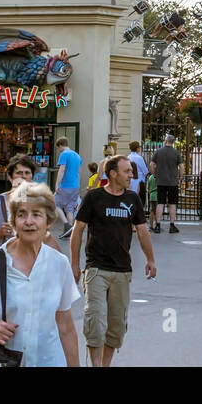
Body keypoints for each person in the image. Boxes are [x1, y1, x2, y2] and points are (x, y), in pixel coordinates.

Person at [0, 181, 80, 367]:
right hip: (4, 361)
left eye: (36, 215)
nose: (28, 221)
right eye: (22, 215)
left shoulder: (59, 264)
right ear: (13, 222)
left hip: (50, 360)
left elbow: (66, 327)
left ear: (48, 222)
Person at [70, 155, 156, 367]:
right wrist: (74, 264)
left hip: (122, 271)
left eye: (131, 171)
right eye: (127, 171)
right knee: (95, 322)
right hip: (96, 268)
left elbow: (143, 232)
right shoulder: (94, 197)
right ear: (113, 173)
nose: (132, 175)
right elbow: (78, 230)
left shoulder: (133, 199)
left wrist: (150, 259)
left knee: (116, 327)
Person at [0, 154, 63, 257]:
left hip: (32, 263)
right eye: (19, 173)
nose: (23, 176)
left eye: (27, 173)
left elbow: (47, 238)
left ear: (32, 177)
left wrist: (62, 264)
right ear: (10, 177)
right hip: (2, 263)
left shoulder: (39, 203)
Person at [151, 133, 182, 234]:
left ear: (165, 141)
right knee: (172, 204)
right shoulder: (176, 152)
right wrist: (180, 177)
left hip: (161, 181)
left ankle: (158, 225)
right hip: (173, 182)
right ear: (173, 142)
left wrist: (154, 175)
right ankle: (172, 226)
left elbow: (151, 164)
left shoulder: (158, 151)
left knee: (160, 203)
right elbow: (182, 167)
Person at [54, 137, 82, 240]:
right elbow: (79, 172)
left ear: (60, 145)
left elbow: (62, 170)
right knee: (69, 208)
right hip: (75, 186)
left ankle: (66, 225)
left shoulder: (64, 154)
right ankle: (70, 231)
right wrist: (78, 185)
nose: (58, 150)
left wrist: (57, 184)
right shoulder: (77, 156)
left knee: (54, 203)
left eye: (58, 148)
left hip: (66, 185)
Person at [127, 140, 149, 213]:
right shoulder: (139, 158)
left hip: (130, 181)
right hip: (139, 181)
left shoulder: (128, 157)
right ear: (137, 148)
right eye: (139, 147)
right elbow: (145, 170)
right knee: (140, 200)